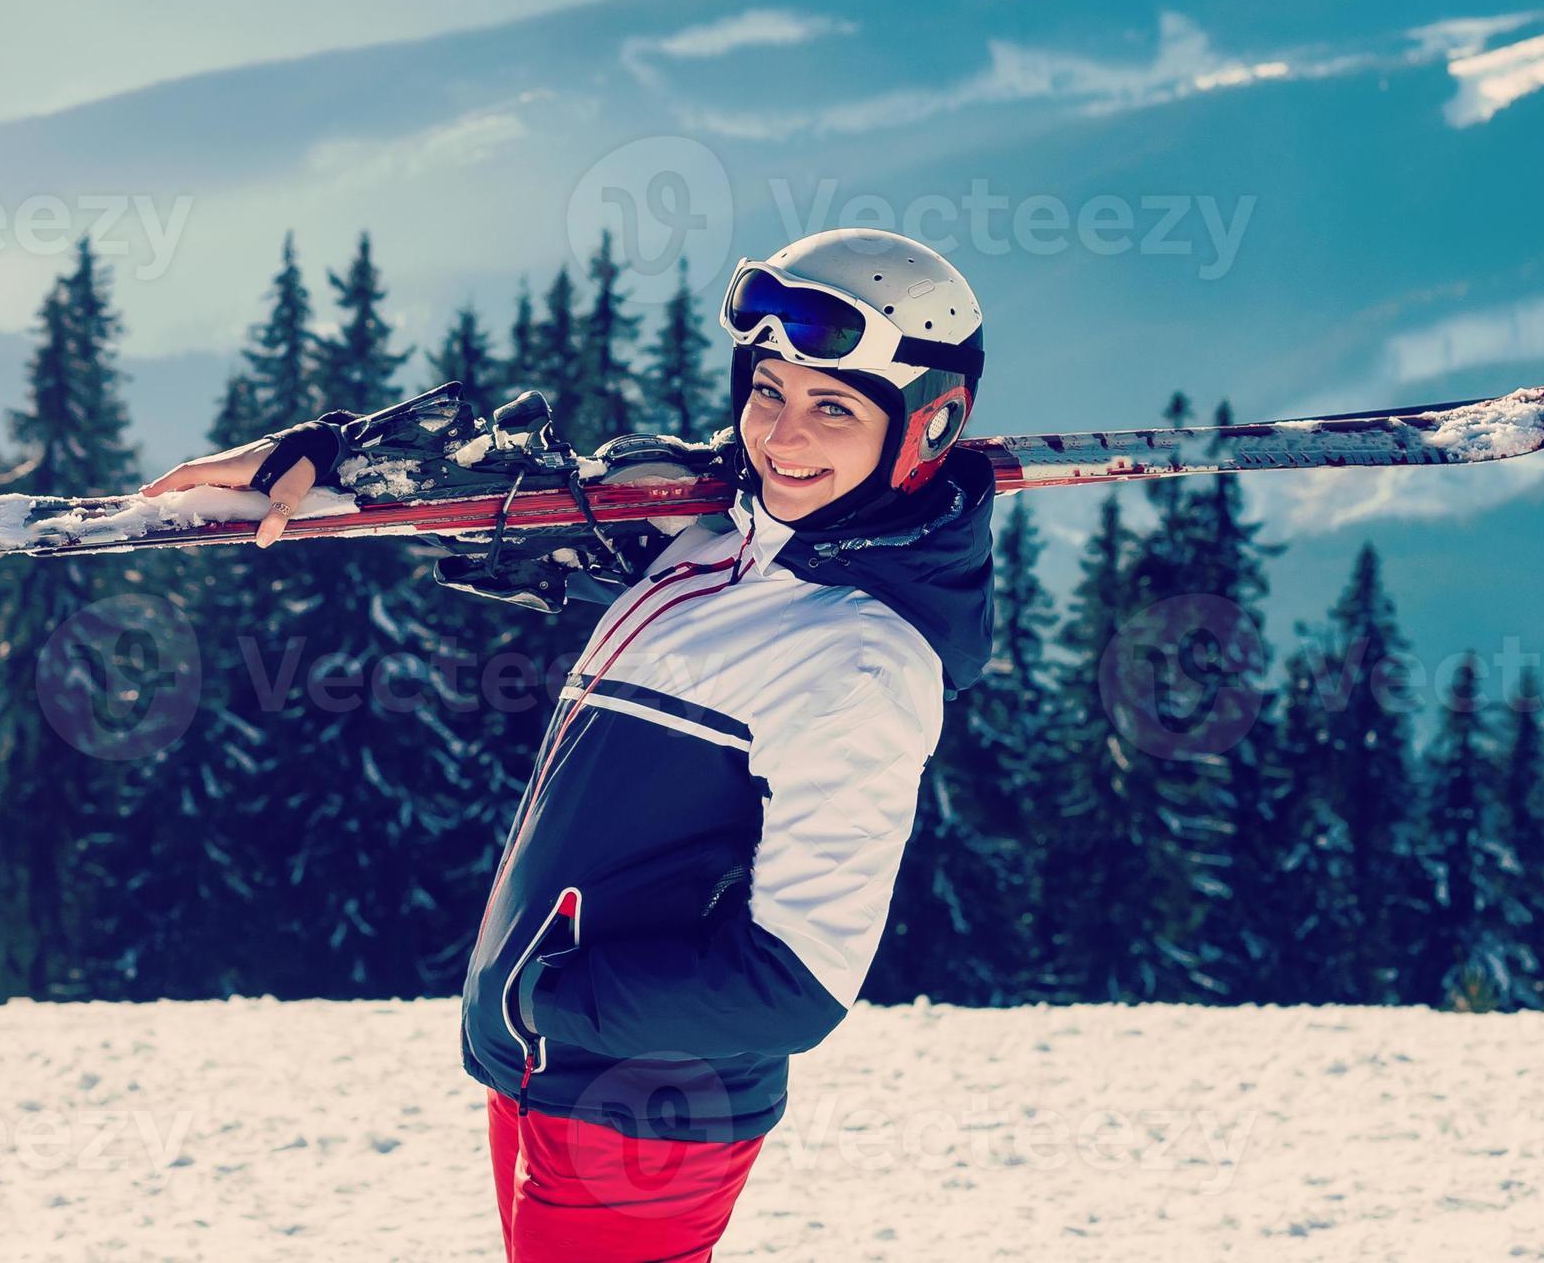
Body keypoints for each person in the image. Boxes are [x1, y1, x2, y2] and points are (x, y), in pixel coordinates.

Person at [141, 228, 996, 1263]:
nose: (779, 436)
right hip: (557, 1074)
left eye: (832, 408)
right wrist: (325, 452)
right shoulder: (718, 538)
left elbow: (797, 983)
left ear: (926, 426)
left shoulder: (859, 658)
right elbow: (497, 500)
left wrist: (546, 998)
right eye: (766, 389)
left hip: (639, 1111)